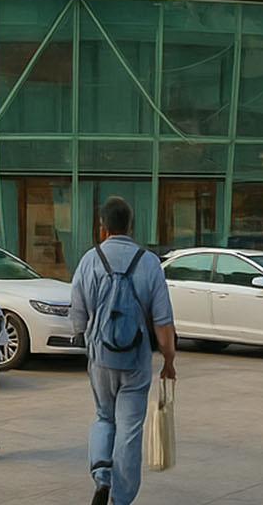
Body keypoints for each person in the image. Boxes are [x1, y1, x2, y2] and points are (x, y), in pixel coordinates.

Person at [69, 195, 175, 505]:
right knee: (129, 428)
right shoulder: (149, 262)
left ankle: (102, 477)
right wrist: (169, 359)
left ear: (103, 229)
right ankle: (120, 498)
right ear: (131, 227)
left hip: (100, 358)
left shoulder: (90, 259)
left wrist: (84, 338)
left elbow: (77, 312)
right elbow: (163, 321)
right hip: (135, 360)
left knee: (104, 417)